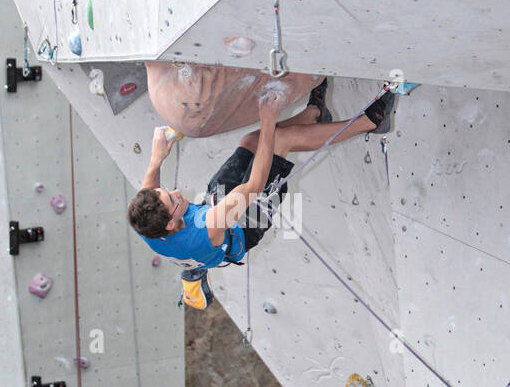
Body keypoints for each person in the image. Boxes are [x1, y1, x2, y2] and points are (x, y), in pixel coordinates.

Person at [126, 79, 399, 309]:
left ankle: (313, 115)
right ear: (171, 224)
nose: (175, 192)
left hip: (212, 212)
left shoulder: (146, 224)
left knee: (249, 144)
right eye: (173, 200)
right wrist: (268, 121)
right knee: (280, 141)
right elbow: (253, 187)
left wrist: (157, 158)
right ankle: (371, 121)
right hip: (245, 226)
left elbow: (148, 191)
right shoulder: (206, 229)